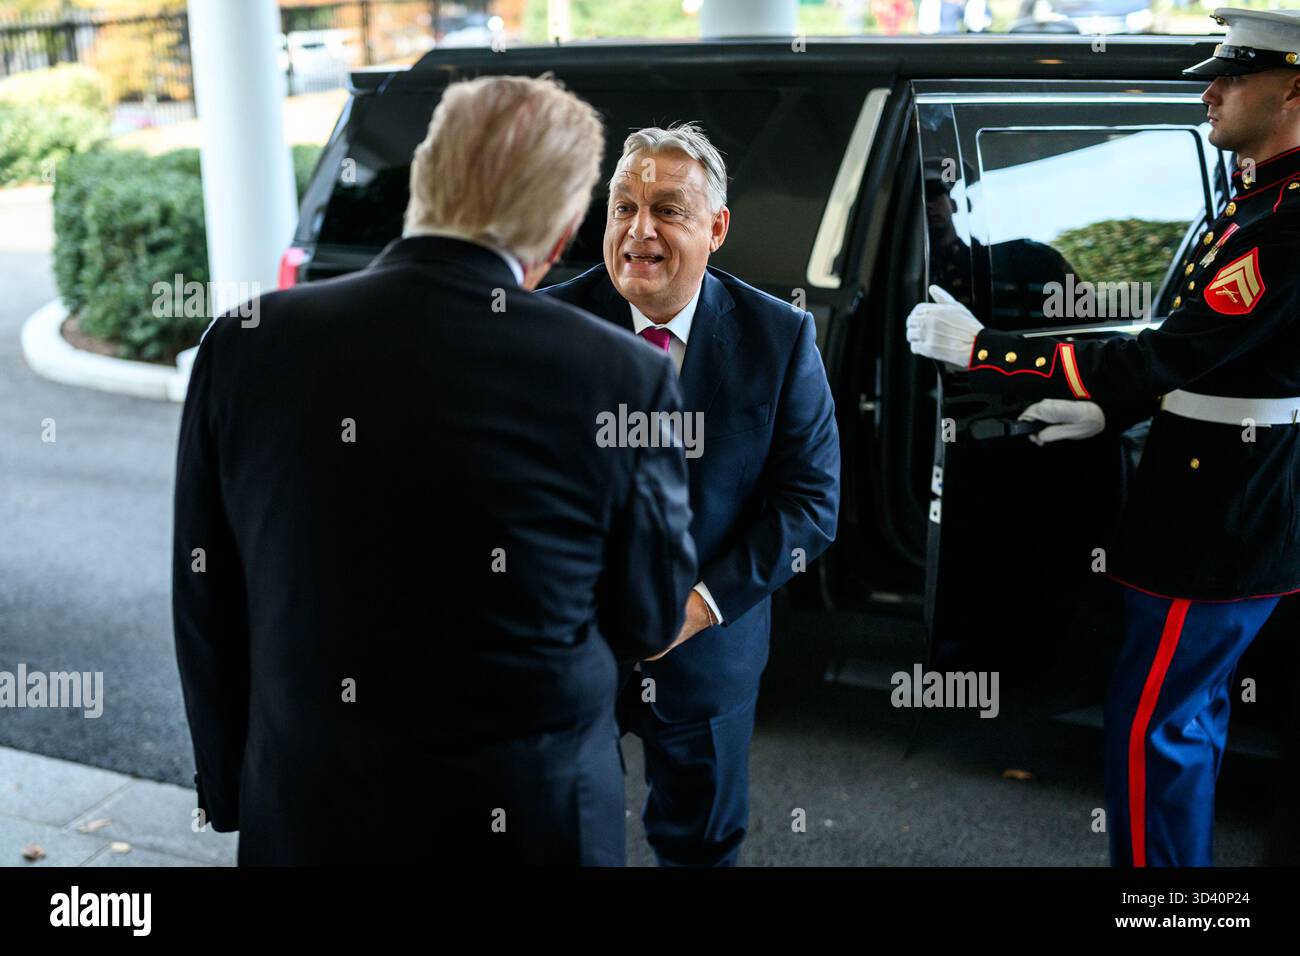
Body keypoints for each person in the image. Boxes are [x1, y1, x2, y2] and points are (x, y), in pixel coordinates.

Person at [172, 75, 697, 866]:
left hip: (310, 807)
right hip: (532, 818)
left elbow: (205, 597)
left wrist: (232, 787)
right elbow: (650, 617)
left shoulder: (246, 342)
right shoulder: (623, 377)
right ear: (560, 235)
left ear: (421, 182)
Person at [906, 7, 1300, 866]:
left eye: (1232, 74)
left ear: (1293, 87)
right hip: (1218, 495)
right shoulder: (1260, 196)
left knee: (1152, 730)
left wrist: (987, 350)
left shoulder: (1287, 221)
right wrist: (1110, 408)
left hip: (1218, 515)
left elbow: (1168, 350)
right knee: (1186, 716)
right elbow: (1210, 360)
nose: (1212, 89)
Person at [543, 123, 841, 866]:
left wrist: (697, 607)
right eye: (623, 208)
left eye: (668, 210)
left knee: (700, 847)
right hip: (570, 649)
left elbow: (810, 504)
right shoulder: (547, 328)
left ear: (717, 227)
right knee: (568, 839)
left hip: (710, 652)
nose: (640, 231)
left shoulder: (780, 338)